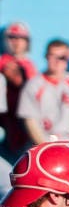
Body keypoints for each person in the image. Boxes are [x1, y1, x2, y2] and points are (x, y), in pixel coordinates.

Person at [0, 22, 39, 164]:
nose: (16, 42)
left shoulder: (29, 64)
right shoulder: (4, 61)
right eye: (12, 37)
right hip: (7, 124)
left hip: (25, 127)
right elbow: (17, 79)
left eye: (20, 38)